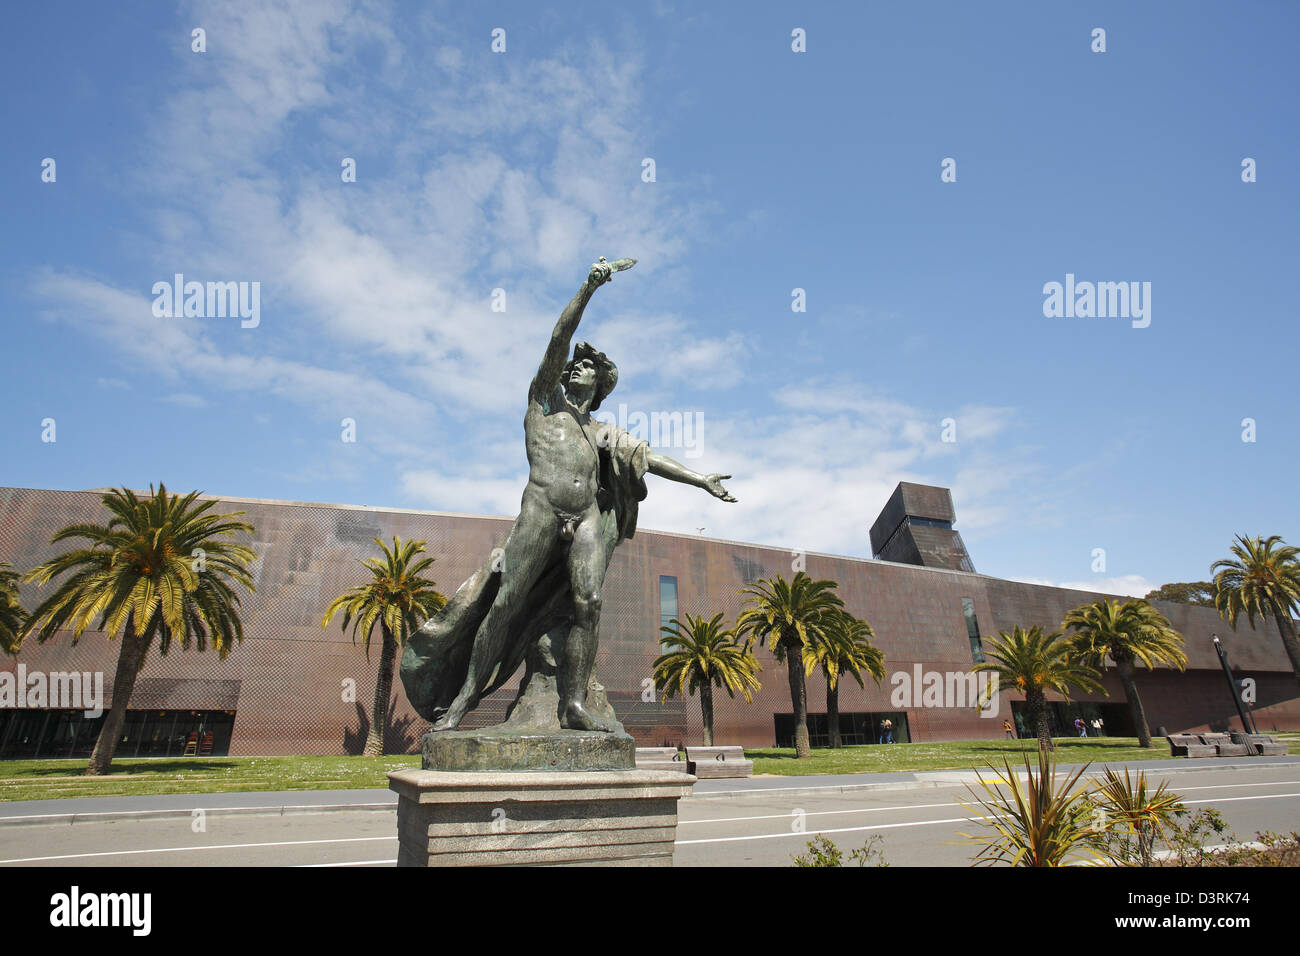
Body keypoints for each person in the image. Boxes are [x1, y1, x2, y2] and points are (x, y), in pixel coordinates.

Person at [404, 258, 737, 732]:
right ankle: (461, 702)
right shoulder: (544, 401)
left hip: (582, 519)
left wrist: (701, 479)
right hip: (541, 510)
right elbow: (558, 339)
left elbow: (647, 457)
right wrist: (589, 288)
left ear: (599, 385)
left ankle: (574, 704)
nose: (576, 368)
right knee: (505, 603)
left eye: (586, 367)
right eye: (575, 364)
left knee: (590, 602)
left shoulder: (600, 431)